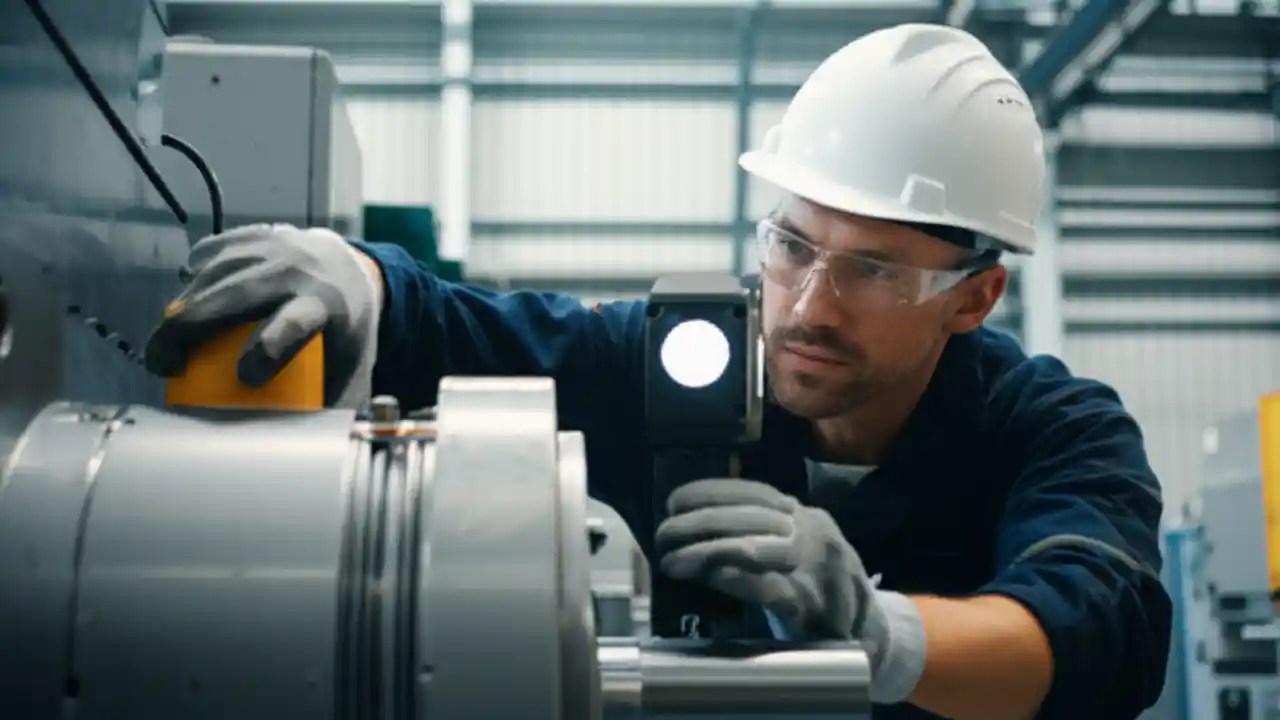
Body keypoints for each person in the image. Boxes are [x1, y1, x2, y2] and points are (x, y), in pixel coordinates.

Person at [145, 23, 1171, 720]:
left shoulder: (1054, 430)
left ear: (973, 298)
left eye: (872, 271)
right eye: (790, 245)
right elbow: (472, 330)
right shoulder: (688, 359)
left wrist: (878, 632)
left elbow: (1091, 635)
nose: (807, 305)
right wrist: (361, 277)